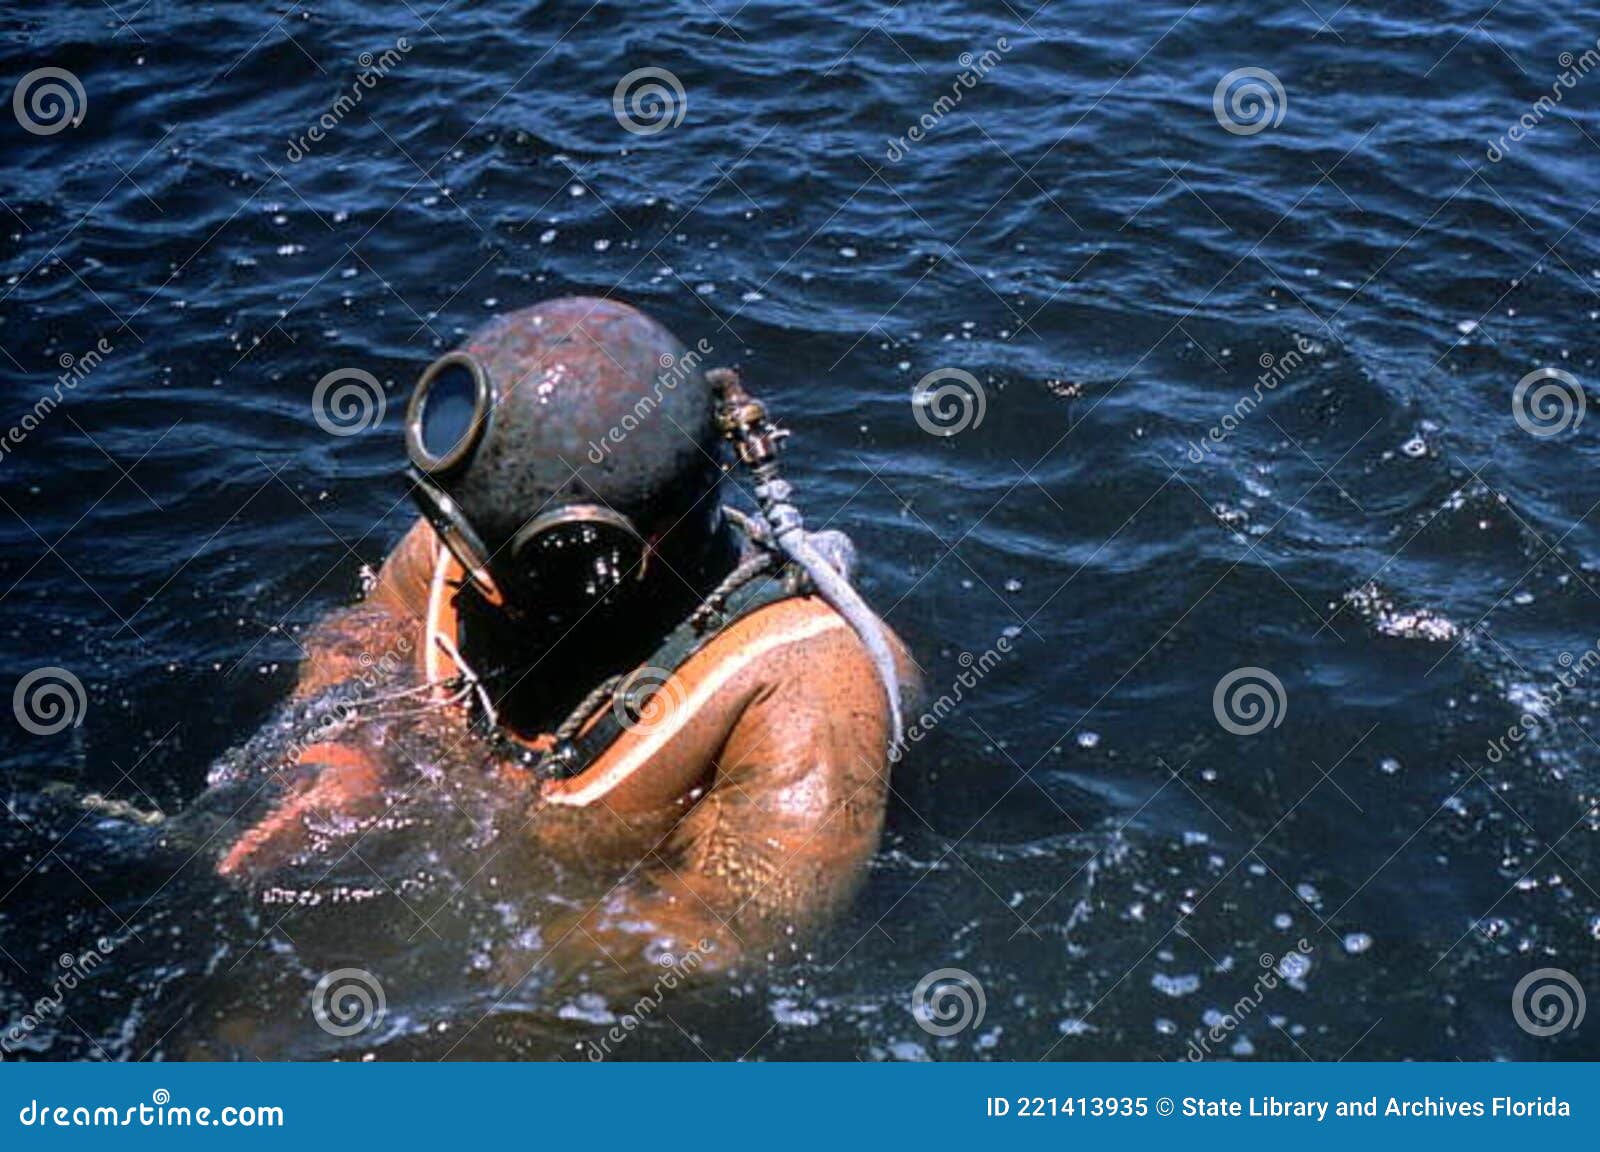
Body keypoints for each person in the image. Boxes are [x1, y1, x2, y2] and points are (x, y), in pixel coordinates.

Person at [209, 296, 916, 988]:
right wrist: (350, 750)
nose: (468, 580)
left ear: (607, 556)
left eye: (497, 568)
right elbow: (367, 634)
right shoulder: (475, 535)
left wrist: (507, 975)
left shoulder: (805, 684)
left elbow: (733, 928)